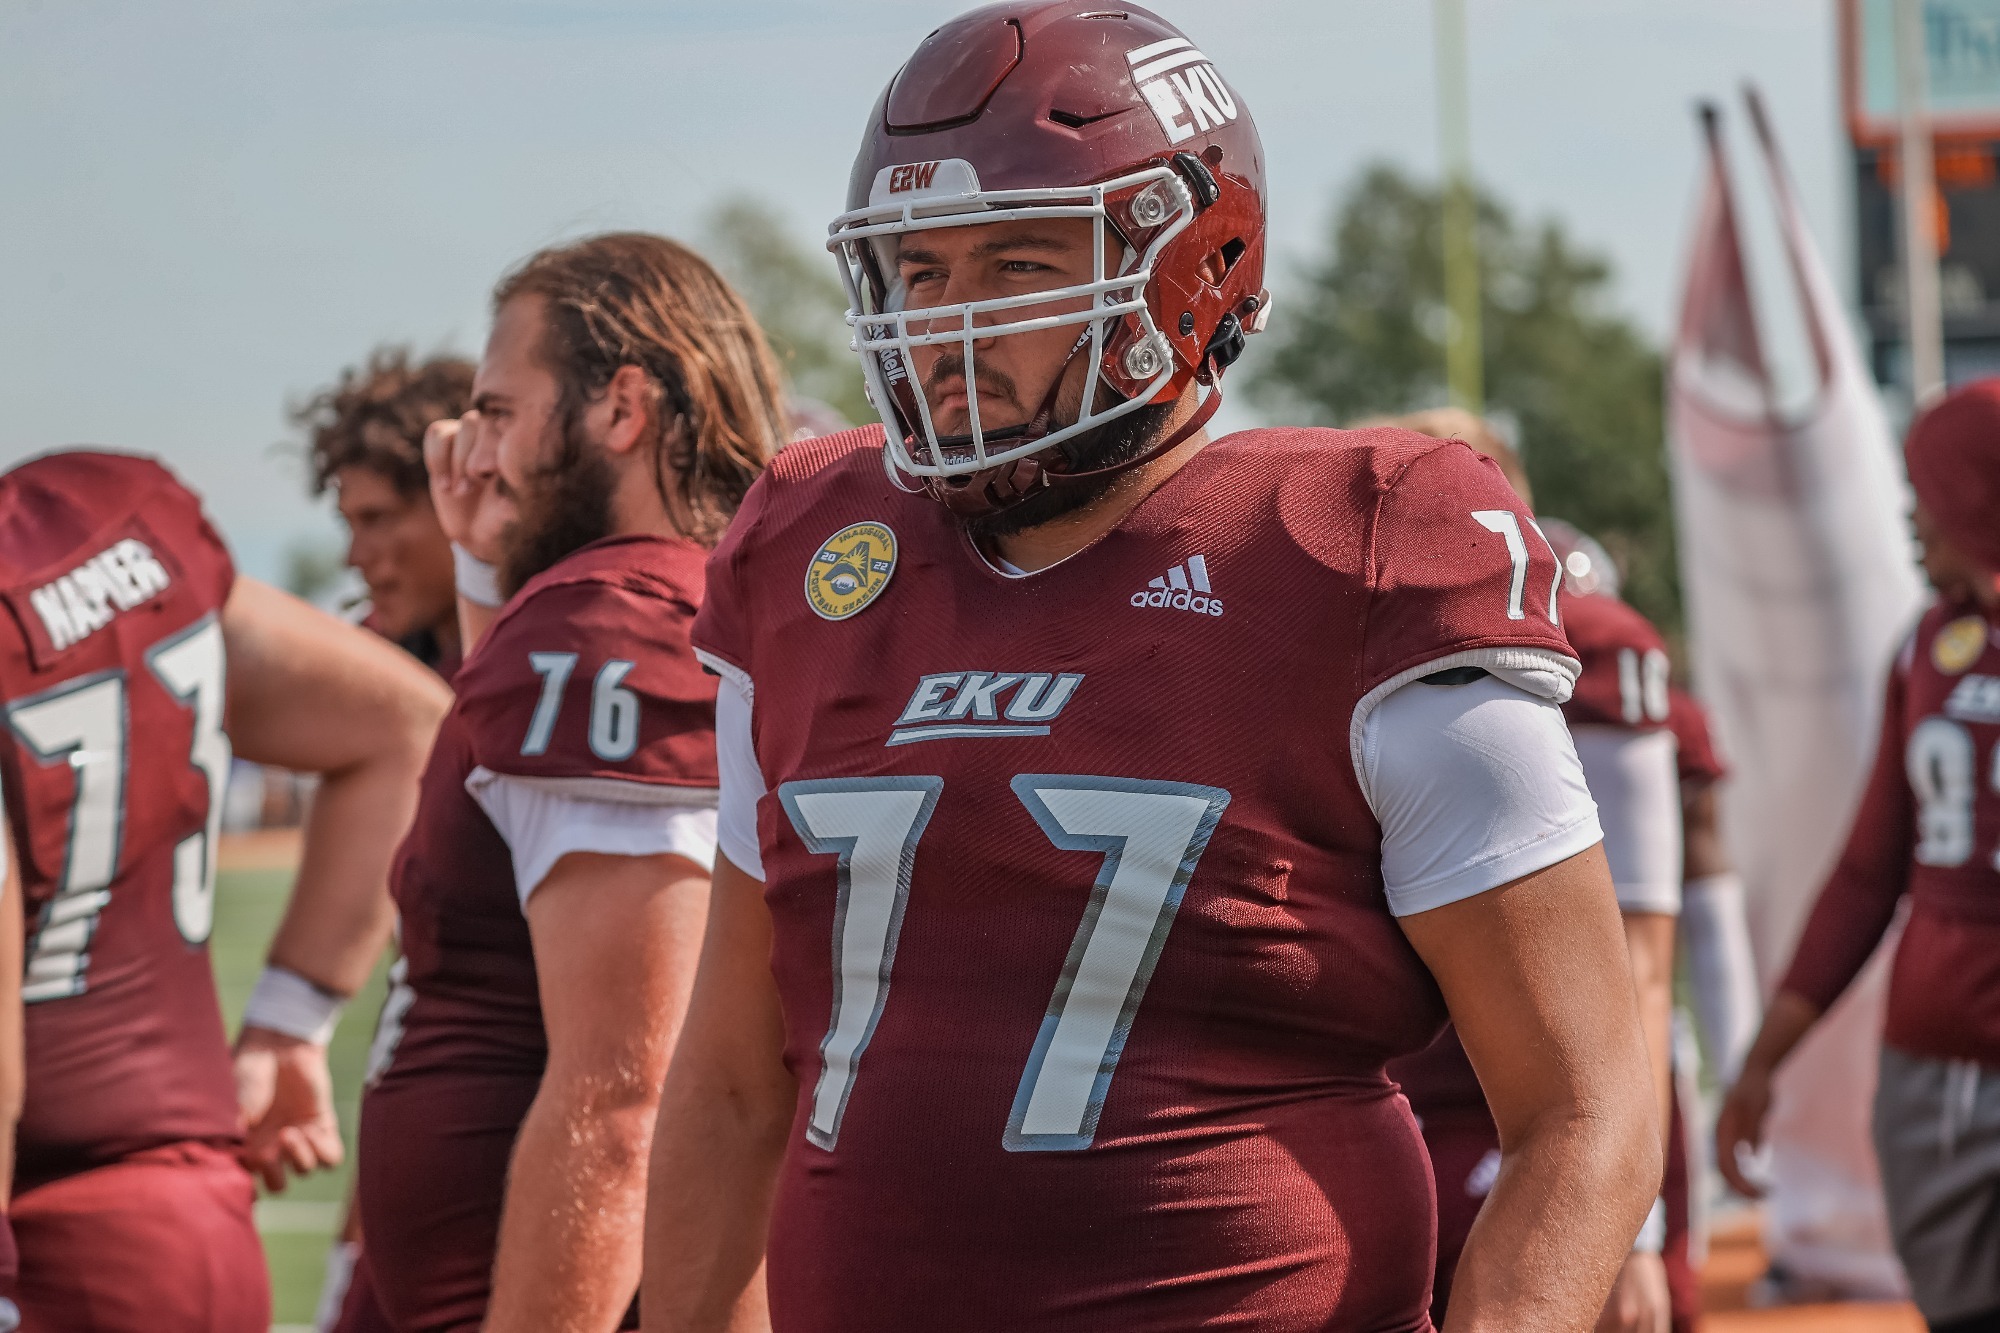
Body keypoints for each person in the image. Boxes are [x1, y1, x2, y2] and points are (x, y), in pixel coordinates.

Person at [643, 6, 1659, 1331]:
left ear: (1195, 262)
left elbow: (1585, 1103)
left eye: (1015, 265)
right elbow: (730, 1082)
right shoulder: (807, 557)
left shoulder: (1355, 549)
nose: (948, 327)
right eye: (920, 271)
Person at [355, 231, 782, 1332]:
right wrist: (483, 570)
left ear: (619, 408)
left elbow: (621, 1096)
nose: (472, 449)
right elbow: (515, 823)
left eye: (498, 412)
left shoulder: (604, 624)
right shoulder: (628, 605)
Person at [0, 449, 450, 1331]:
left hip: (45, 1238)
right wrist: (290, 1014)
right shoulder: (109, 521)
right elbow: (401, 725)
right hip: (188, 1221)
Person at [1376, 440, 1685, 1333]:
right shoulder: (1320, 650)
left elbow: (1646, 966)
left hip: (1550, 1092)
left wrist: (1644, 1233)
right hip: (1403, 1091)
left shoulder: (1602, 659)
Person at [1719, 378, 2000, 1333]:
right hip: (1936, 1072)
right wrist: (1766, 1059)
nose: (1911, 514)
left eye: (1930, 487)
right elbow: (1869, 871)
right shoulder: (1929, 642)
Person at [300, 348, 477, 678]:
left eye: (376, 519)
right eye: (349, 524)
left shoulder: (552, 657)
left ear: (462, 496)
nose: (354, 557)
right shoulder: (362, 669)